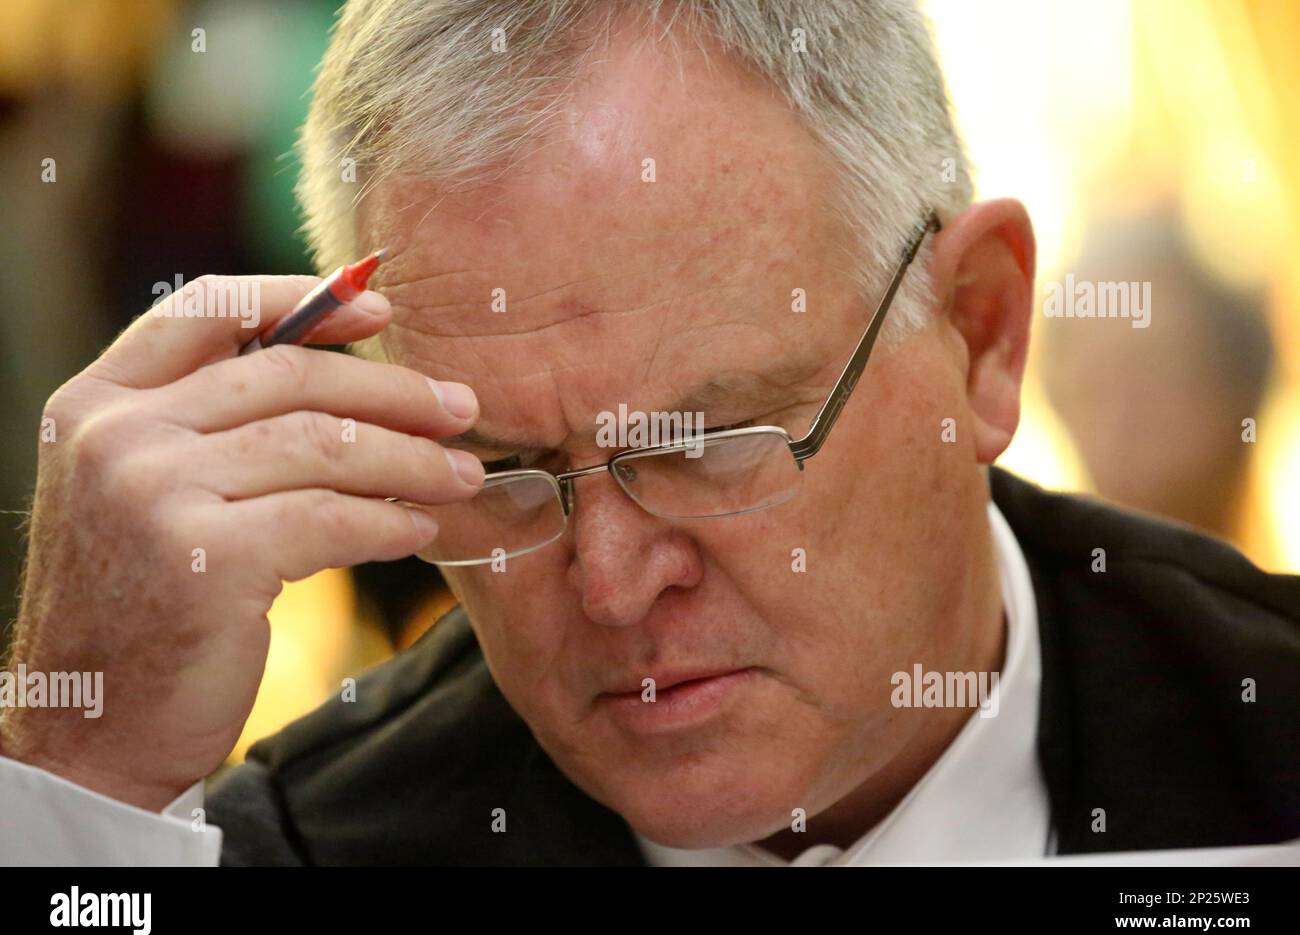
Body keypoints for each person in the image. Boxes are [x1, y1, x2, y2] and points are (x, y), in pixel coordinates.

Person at [1, 0, 1296, 866]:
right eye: (501, 473)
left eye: (705, 441)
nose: (613, 586)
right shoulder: (304, 847)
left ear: (982, 330)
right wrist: (76, 781)